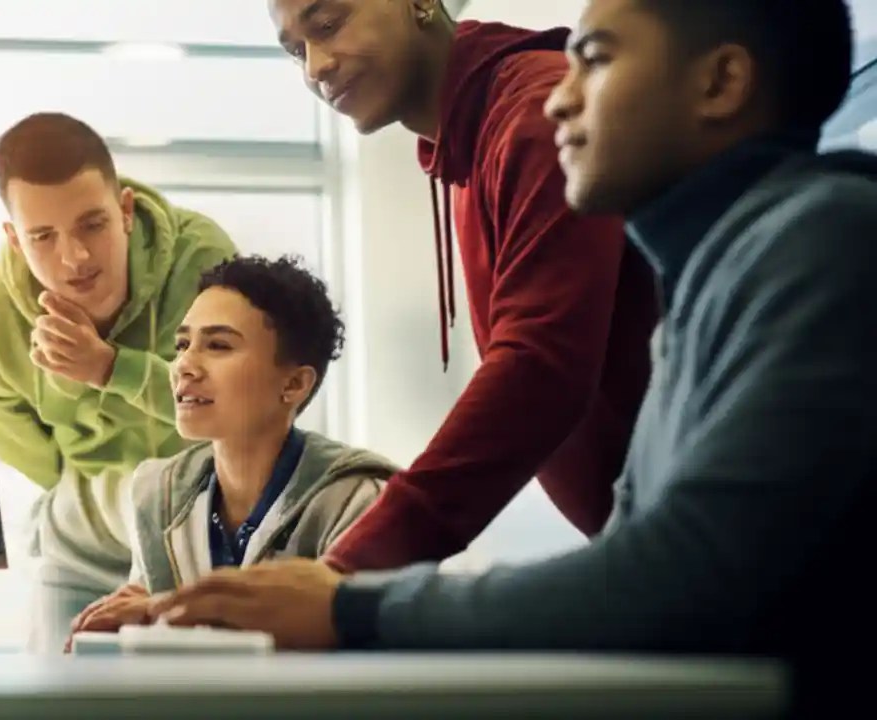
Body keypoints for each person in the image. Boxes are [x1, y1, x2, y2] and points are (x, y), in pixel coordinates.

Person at [149, 0, 875, 702]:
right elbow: (634, 555)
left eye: (593, 59)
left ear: (720, 82)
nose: (562, 97)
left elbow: (688, 565)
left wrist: (349, 602)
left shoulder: (827, 239)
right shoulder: (702, 289)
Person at [265, 0, 660, 574]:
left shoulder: (533, 109)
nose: (314, 67)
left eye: (328, 25)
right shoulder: (468, 143)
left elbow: (540, 370)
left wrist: (345, 572)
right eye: (296, 49)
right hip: (652, 539)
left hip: (723, 545)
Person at [0, 112, 236, 653]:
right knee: (60, 687)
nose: (75, 258)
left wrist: (110, 369)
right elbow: (32, 456)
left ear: (125, 212)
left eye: (92, 224)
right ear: (15, 241)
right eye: (42, 236)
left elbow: (236, 409)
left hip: (203, 516)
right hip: (84, 532)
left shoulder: (202, 258)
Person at [65, 255, 397, 646]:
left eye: (218, 345)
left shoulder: (357, 499)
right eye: (183, 344)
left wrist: (159, 611)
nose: (184, 365)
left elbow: (350, 645)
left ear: (293, 384)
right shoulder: (156, 494)